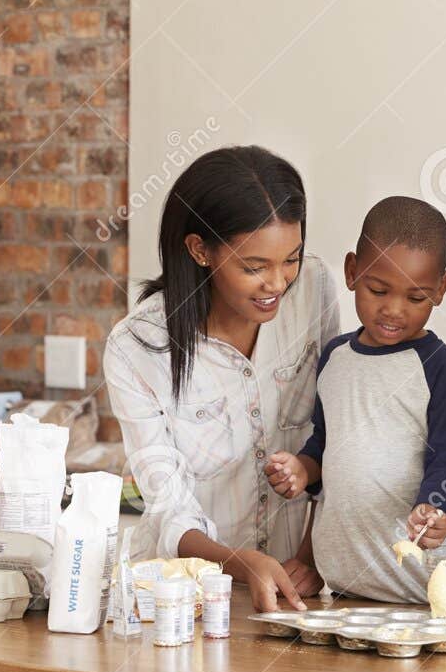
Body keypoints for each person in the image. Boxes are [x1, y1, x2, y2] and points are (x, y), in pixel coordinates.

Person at [104, 146, 339, 612]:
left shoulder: (312, 289)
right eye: (254, 267)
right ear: (199, 250)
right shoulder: (137, 348)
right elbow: (167, 506)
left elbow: (334, 431)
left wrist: (311, 552)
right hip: (185, 601)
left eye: (290, 259)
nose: (278, 283)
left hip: (298, 594)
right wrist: (239, 563)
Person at [265, 196, 446, 603]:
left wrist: (435, 506)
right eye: (378, 290)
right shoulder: (335, 358)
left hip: (418, 593)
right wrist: (302, 470)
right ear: (352, 272)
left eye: (416, 298)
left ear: (441, 288)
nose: (394, 310)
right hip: (346, 590)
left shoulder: (440, 368)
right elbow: (325, 446)